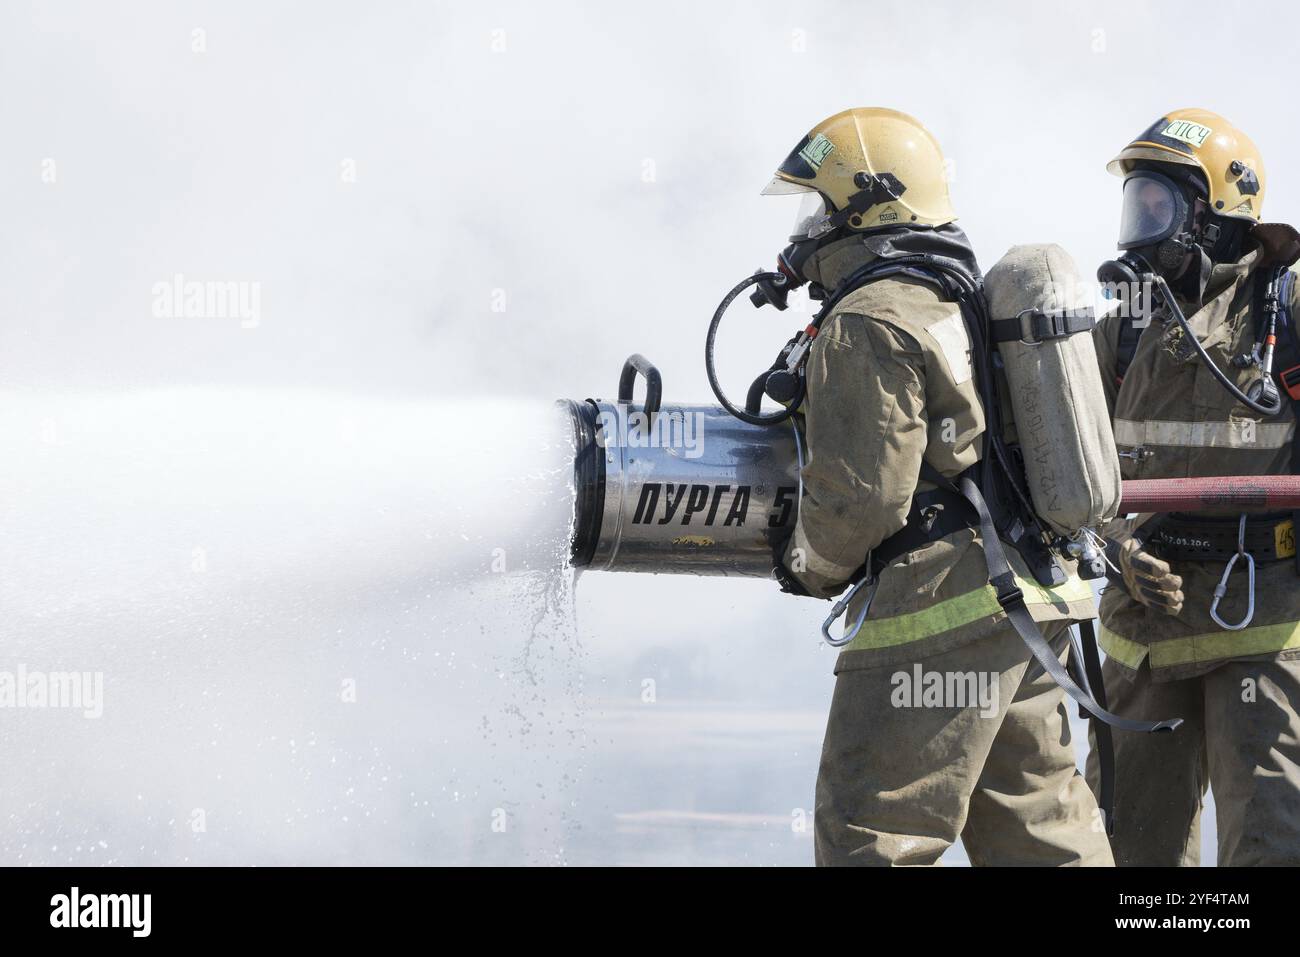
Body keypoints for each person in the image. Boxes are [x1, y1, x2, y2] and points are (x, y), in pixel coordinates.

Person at [767, 108, 1111, 866]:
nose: (807, 229)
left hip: (940, 608)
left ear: (867, 205)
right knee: (1039, 830)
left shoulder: (869, 317)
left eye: (819, 207)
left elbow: (866, 498)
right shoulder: (957, 298)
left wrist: (808, 565)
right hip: (1026, 599)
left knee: (874, 831)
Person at [1086, 108, 1300, 866]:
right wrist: (1117, 552)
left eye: (1156, 206)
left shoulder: (1286, 313)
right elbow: (1075, 479)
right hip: (1145, 627)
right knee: (1127, 851)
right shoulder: (1122, 330)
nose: (1136, 230)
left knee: (1271, 844)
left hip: (1263, 622)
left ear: (1215, 217)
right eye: (1134, 204)